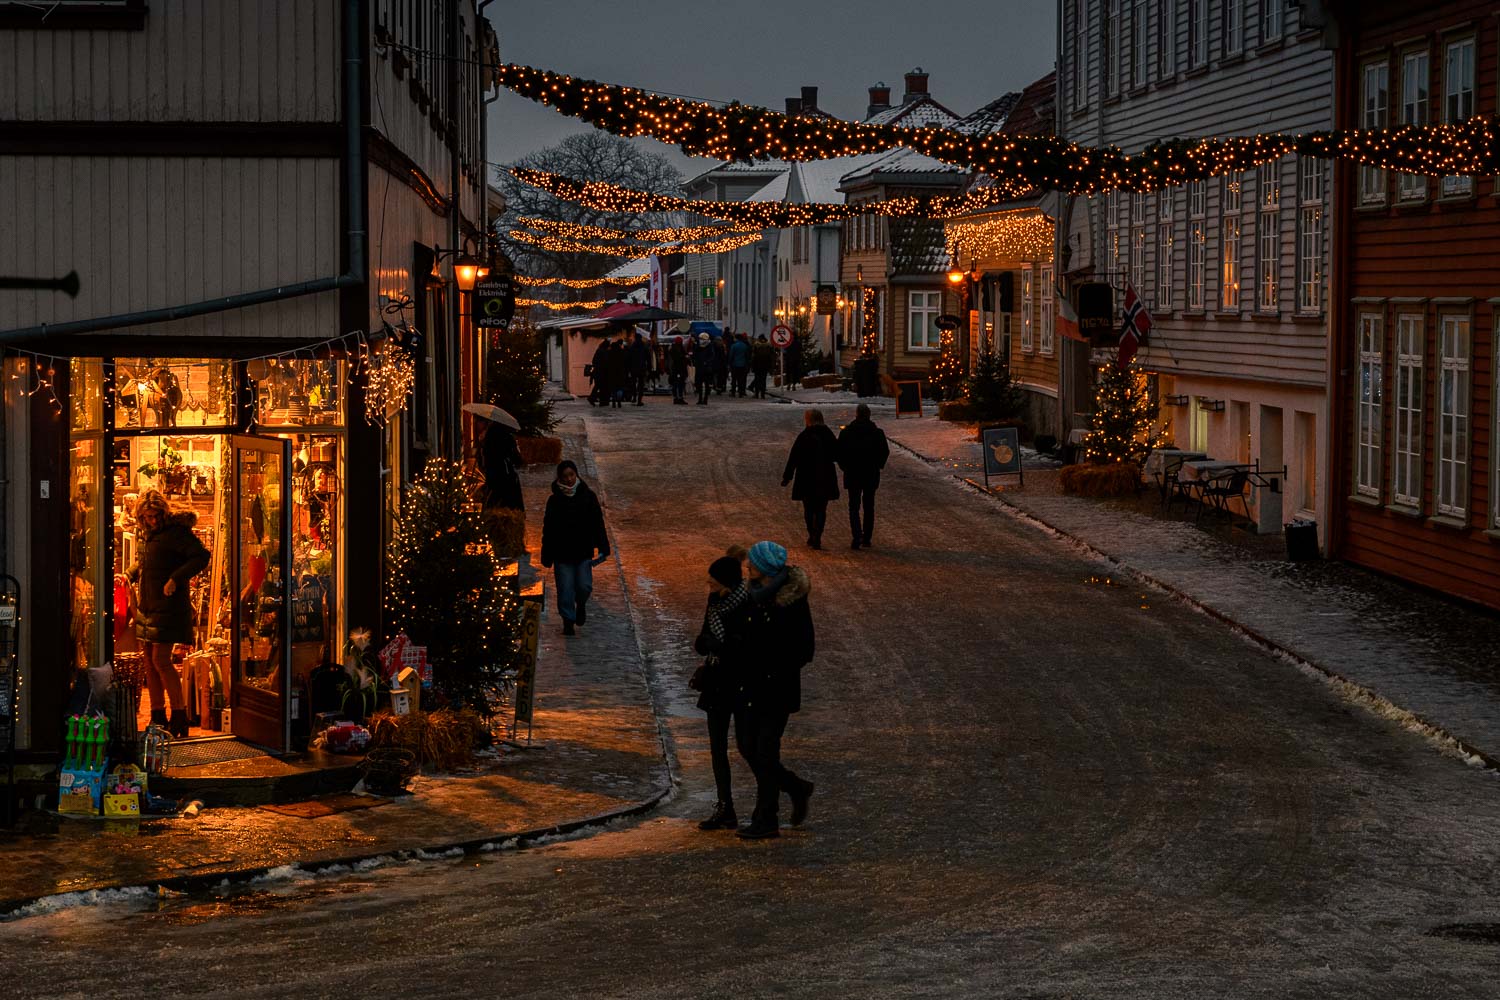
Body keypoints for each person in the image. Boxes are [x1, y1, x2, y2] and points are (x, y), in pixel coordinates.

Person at [732, 540, 814, 839]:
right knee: (746, 746)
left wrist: (771, 662)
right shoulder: (752, 595)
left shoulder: (790, 602)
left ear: (764, 568)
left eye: (752, 563)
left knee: (765, 751)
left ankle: (766, 818)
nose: (747, 566)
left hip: (774, 690)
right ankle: (795, 787)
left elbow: (805, 648)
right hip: (748, 686)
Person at [129, 490, 211, 738]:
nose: (153, 520)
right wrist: (130, 573)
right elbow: (146, 563)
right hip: (147, 606)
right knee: (149, 663)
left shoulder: (176, 532)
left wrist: (176, 579)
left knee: (161, 660)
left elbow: (201, 556)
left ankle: (179, 715)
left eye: (156, 516)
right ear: (142, 517)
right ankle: (157, 716)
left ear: (164, 513)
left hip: (168, 606)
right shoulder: (148, 535)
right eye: (148, 516)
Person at [691, 554, 752, 831]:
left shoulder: (747, 603)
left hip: (740, 683)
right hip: (717, 682)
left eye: (712, 579)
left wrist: (717, 644)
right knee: (717, 748)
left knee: (748, 747)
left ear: (726, 581)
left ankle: (777, 796)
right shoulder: (714, 601)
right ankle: (725, 806)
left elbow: (742, 648)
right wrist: (708, 643)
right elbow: (704, 638)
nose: (708, 583)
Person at [540, 460, 610, 636]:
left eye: (571, 475)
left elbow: (597, 523)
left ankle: (581, 604)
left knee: (584, 586)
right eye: (565, 476)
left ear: (576, 475)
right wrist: (546, 553)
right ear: (560, 478)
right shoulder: (554, 500)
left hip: (583, 551)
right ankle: (568, 620)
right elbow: (548, 528)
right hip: (562, 554)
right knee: (565, 589)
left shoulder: (588, 496)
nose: (569, 479)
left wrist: (603, 546)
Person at [781, 408, 839, 550]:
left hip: (806, 476)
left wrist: (787, 477)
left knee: (808, 508)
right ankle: (817, 535)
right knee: (821, 509)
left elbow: (793, 458)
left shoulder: (804, 435)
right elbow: (836, 454)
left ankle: (812, 534)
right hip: (825, 476)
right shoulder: (828, 435)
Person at [836, 403, 890, 549]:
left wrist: (845, 467)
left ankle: (856, 535)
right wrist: (878, 465)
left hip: (853, 473)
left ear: (856, 414)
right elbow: (884, 451)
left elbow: (839, 452)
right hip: (870, 474)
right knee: (869, 506)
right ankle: (866, 537)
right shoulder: (877, 433)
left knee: (853, 506)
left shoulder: (847, 433)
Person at [478, 420, 523, 511]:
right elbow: (517, 460)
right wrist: (517, 450)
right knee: (508, 502)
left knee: (493, 500)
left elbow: (484, 456)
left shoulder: (488, 436)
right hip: (505, 474)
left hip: (491, 474)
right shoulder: (508, 438)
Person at [692, 332, 717, 405]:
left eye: (702, 339)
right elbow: (695, 355)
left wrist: (706, 362)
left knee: (706, 385)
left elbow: (712, 357)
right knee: (699, 385)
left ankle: (705, 399)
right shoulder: (698, 346)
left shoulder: (710, 346)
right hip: (699, 368)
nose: (701, 340)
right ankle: (700, 399)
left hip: (706, 369)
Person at [604, 338, 629, 409]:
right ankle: (619, 401)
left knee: (613, 388)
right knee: (620, 388)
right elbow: (624, 362)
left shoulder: (609, 353)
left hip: (612, 373)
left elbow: (607, 363)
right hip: (620, 372)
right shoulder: (621, 352)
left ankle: (614, 401)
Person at [628, 331, 651, 406]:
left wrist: (628, 368)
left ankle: (634, 396)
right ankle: (639, 400)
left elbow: (629, 358)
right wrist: (649, 368)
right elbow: (648, 358)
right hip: (642, 368)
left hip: (633, 368)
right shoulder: (644, 347)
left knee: (633, 383)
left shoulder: (632, 347)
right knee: (641, 384)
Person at [588, 337, 611, 406]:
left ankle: (594, 398)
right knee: (602, 386)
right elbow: (606, 362)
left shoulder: (599, 350)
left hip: (597, 372)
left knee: (598, 386)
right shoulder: (604, 352)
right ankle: (596, 399)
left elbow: (594, 361)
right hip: (602, 372)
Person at [728, 332, 752, 397]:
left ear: (736, 338)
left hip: (734, 365)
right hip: (743, 365)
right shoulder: (745, 346)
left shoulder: (734, 346)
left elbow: (731, 356)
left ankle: (733, 392)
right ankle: (741, 392)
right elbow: (747, 356)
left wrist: (729, 364)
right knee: (741, 379)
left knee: (734, 379)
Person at [751, 334, 774, 399]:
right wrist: (771, 367)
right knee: (763, 380)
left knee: (757, 380)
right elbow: (772, 356)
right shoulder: (769, 345)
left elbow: (753, 357)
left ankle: (756, 394)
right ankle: (763, 394)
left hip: (757, 365)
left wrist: (752, 366)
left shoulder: (756, 345)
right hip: (765, 366)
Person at [668, 336, 689, 404]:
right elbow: (679, 358)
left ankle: (676, 397)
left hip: (675, 369)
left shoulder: (673, 348)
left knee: (676, 384)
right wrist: (685, 357)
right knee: (679, 383)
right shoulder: (677, 348)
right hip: (679, 369)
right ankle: (679, 397)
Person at [713, 331, 730, 395]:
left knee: (714, 376)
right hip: (721, 365)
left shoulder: (713, 346)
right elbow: (724, 356)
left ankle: (714, 386)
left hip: (714, 364)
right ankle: (719, 389)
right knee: (720, 377)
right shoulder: (722, 347)